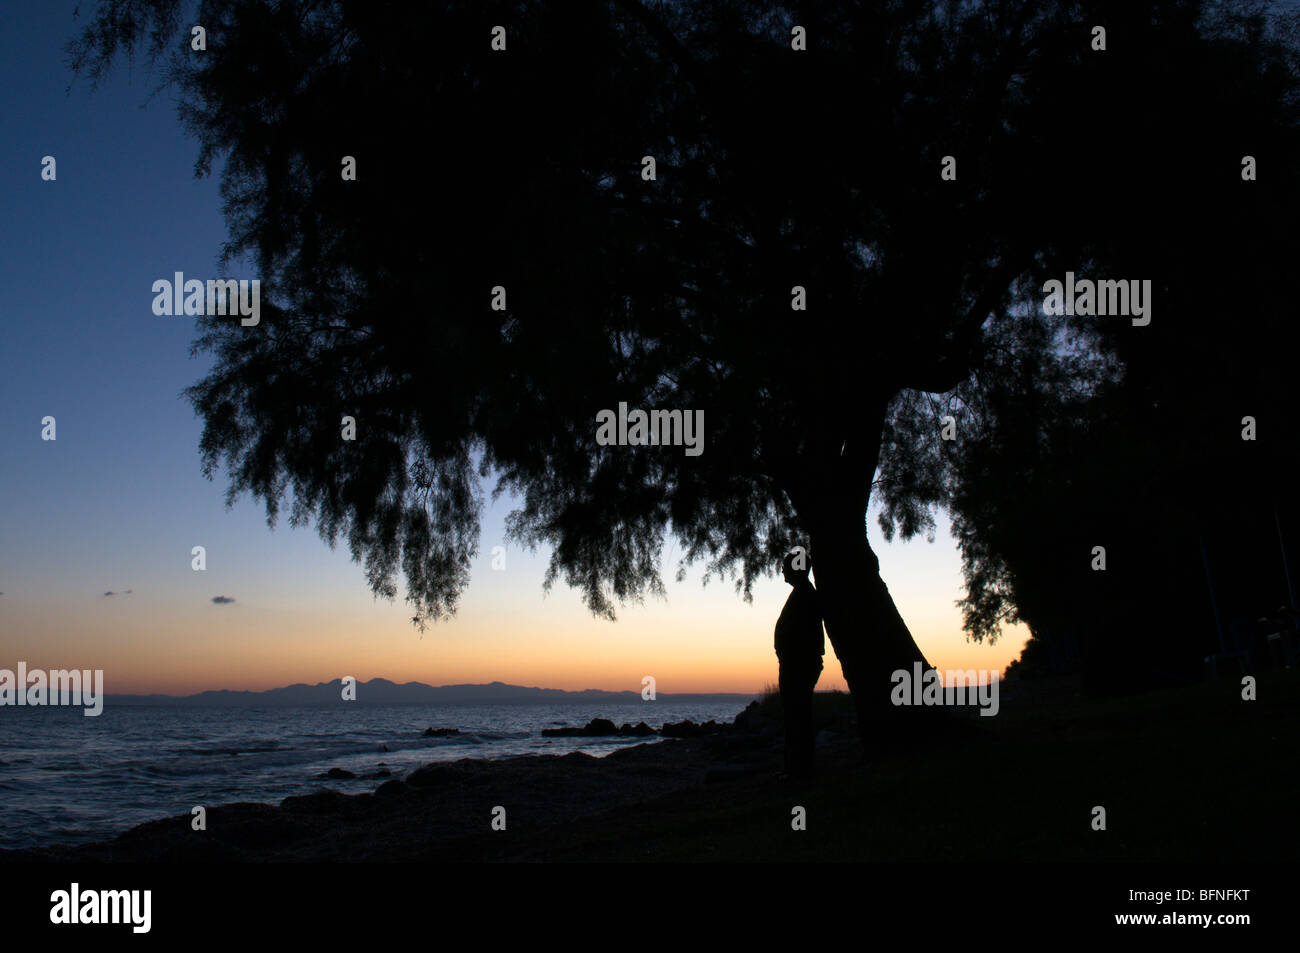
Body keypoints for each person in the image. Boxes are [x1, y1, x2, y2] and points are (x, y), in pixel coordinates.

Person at [775, 550, 824, 778]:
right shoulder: (802, 593)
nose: (782, 571)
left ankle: (800, 769)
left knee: (798, 715)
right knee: (796, 715)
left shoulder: (805, 595)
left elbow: (804, 635)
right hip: (794, 663)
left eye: (785, 566)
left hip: (799, 665)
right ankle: (796, 766)